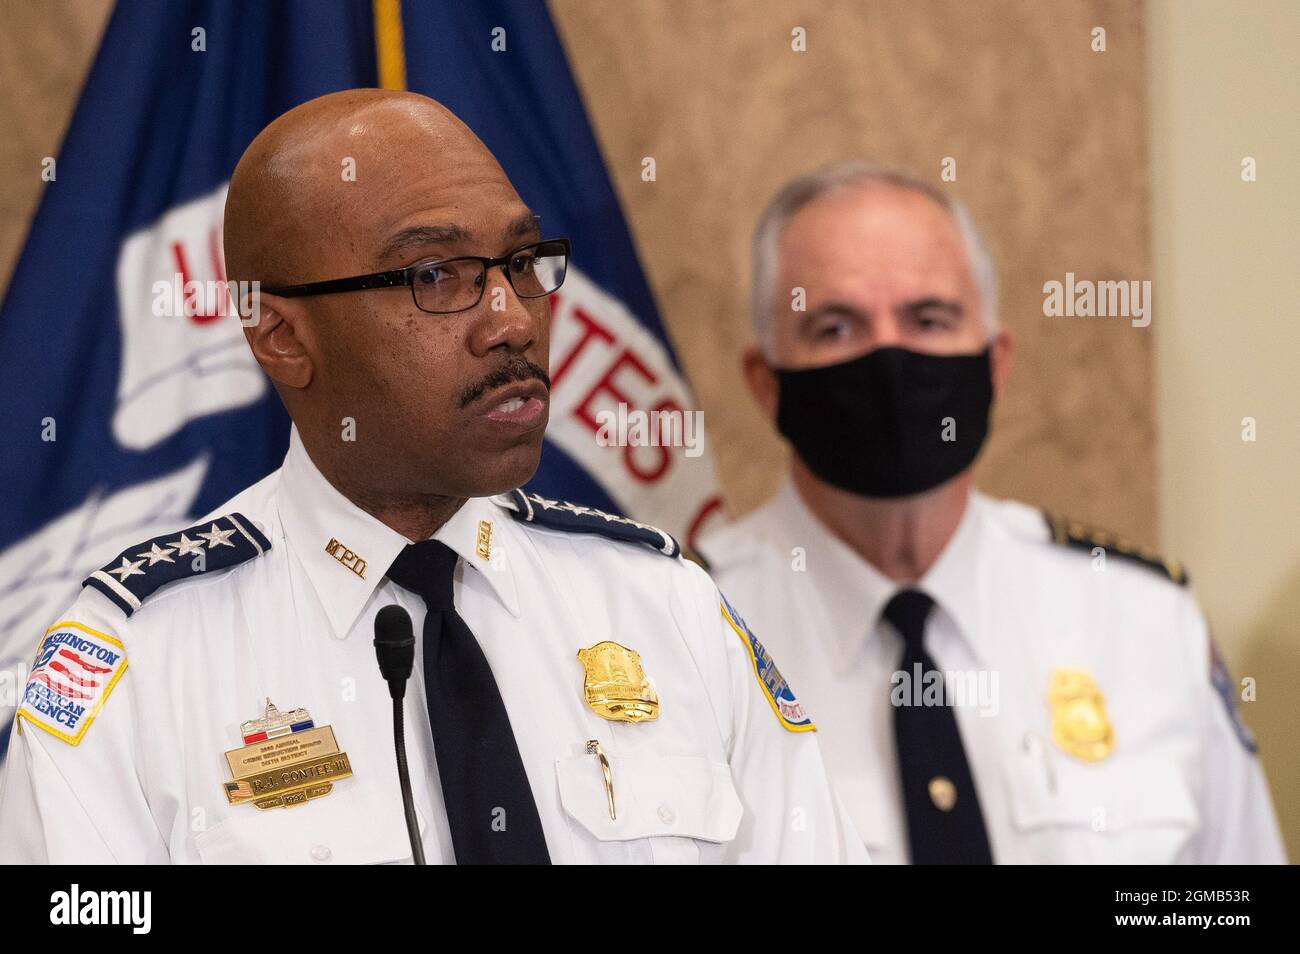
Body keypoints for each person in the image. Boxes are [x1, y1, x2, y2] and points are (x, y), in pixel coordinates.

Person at [0, 90, 863, 865]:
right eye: (435, 276)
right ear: (282, 338)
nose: (512, 320)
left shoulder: (666, 608)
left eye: (523, 263)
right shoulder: (140, 663)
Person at [700, 161, 1286, 864]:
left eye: (929, 318)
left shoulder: (1145, 620)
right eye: (835, 328)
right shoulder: (690, 631)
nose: (889, 356)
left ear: (995, 363)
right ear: (765, 383)